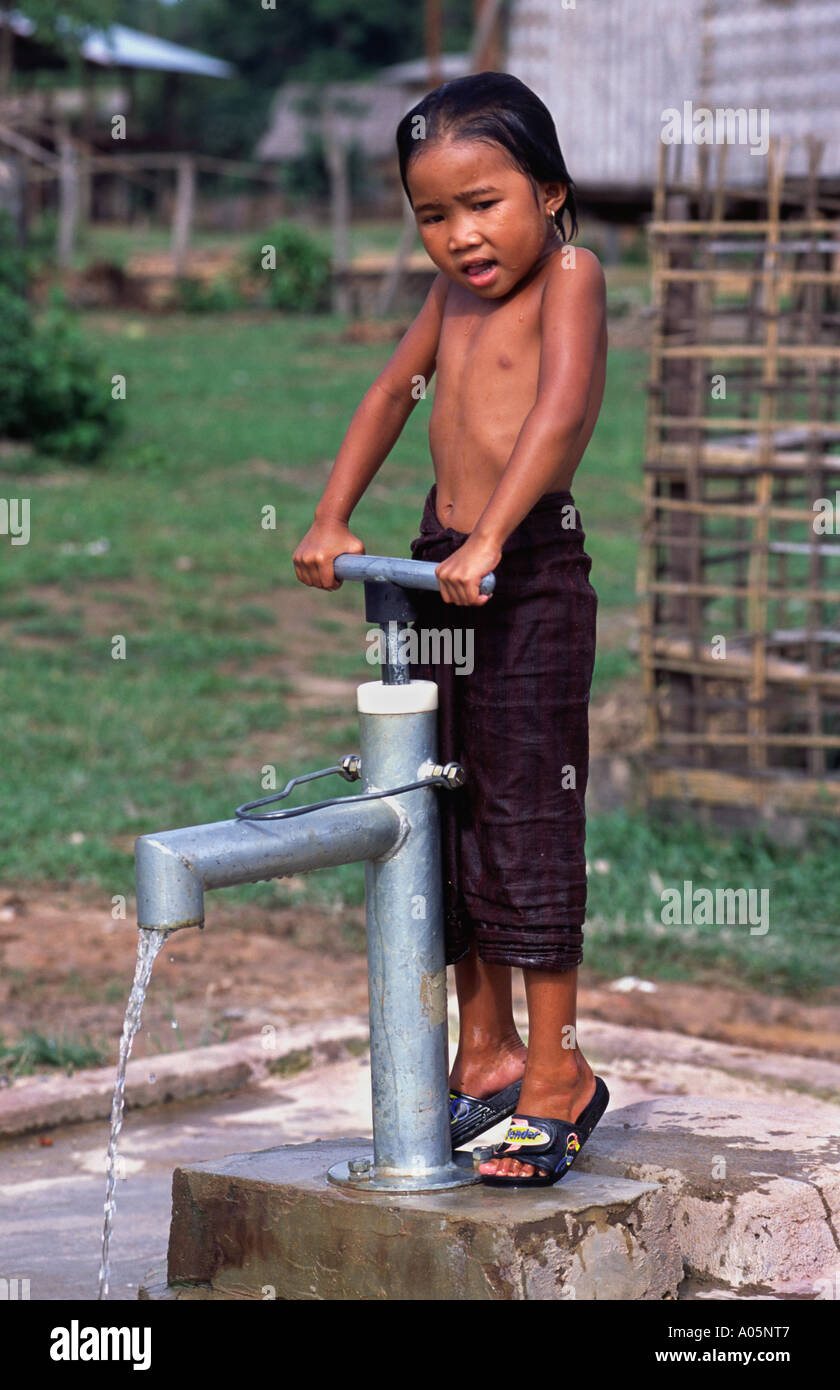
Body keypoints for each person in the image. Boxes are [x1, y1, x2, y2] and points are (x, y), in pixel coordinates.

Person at [293, 71, 609, 1186]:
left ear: (552, 193)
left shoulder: (570, 273)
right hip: (439, 575)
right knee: (445, 801)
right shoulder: (452, 301)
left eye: (485, 203)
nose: (462, 237)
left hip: (526, 577)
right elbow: (391, 393)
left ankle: (559, 1071)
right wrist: (333, 513)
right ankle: (486, 1048)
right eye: (434, 215)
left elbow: (563, 408)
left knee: (526, 811)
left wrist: (492, 539)